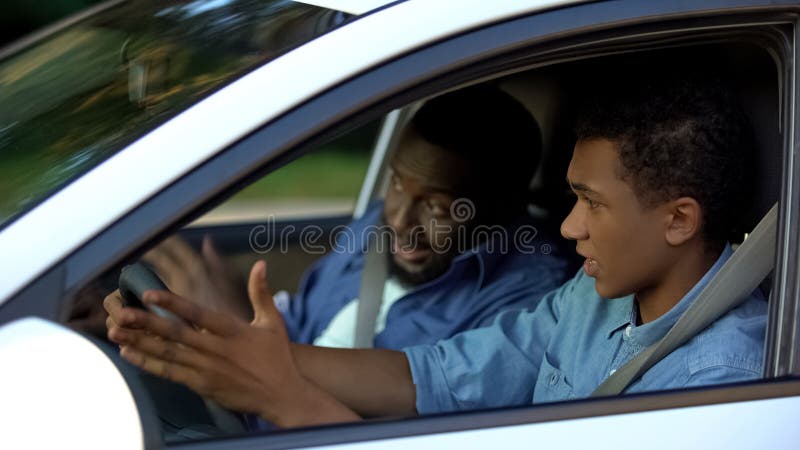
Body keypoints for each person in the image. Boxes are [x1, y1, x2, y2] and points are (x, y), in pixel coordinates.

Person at [104, 73, 767, 428]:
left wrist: (290, 400)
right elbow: (435, 377)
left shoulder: (719, 388)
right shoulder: (590, 304)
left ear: (679, 219)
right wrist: (260, 355)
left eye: (590, 203)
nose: (567, 230)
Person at [116, 84, 575, 352]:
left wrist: (237, 333)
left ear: (508, 207)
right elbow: (301, 324)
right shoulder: (374, 229)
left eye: (437, 207)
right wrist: (166, 324)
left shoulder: (529, 304)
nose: (399, 220)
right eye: (397, 183)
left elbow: (398, 420)